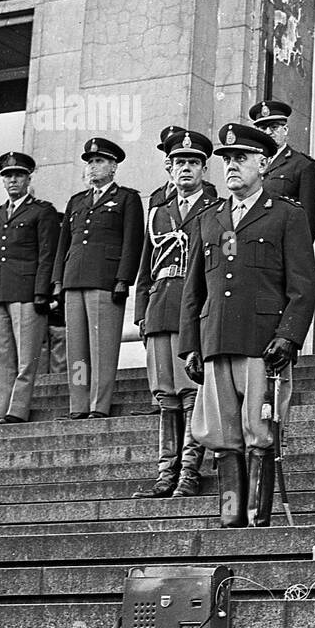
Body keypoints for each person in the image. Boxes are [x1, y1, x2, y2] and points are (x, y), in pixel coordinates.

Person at [180, 122, 315, 528]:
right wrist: (190, 345)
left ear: (263, 162)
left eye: (241, 158)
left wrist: (288, 337)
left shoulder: (286, 215)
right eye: (226, 160)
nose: (232, 166)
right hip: (216, 337)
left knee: (259, 429)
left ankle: (258, 517)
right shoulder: (210, 219)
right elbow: (195, 288)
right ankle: (230, 515)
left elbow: (303, 285)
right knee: (222, 433)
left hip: (262, 342)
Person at [131, 128, 218, 499]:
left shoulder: (214, 210)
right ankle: (165, 471)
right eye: (179, 162)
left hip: (193, 309)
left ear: (203, 170)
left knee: (191, 393)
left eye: (193, 163)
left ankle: (189, 471)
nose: (185, 169)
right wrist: (141, 312)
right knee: (165, 396)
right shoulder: (158, 213)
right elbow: (145, 267)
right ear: (169, 168)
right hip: (160, 307)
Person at [50, 137, 143, 419]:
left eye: (99, 161)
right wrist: (57, 281)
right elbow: (63, 243)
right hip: (74, 280)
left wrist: (123, 280)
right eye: (90, 162)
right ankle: (79, 404)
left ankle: (98, 405)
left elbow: (132, 242)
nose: (92, 167)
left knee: (102, 349)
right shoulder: (77, 201)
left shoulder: (127, 198)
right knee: (77, 350)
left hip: (105, 280)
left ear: (113, 166)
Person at [0, 152, 58, 426]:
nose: (13, 180)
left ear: (28, 178)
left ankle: (17, 409)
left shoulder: (41, 211)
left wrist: (41, 292)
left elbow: (47, 254)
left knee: (27, 355)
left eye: (18, 175)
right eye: (8, 176)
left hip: (26, 291)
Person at [251, 99, 315, 242]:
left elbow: (308, 220)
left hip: (282, 245)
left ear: (286, 130)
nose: (268, 132)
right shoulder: (249, 164)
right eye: (263, 128)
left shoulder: (303, 165)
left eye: (274, 127)